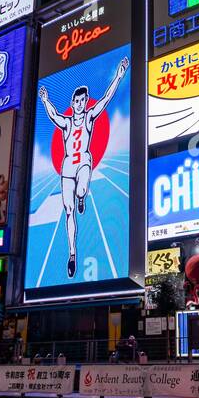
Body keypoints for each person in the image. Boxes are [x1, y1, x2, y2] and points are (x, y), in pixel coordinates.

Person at [38, 56, 130, 279]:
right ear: (72, 103)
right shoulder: (67, 123)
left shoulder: (90, 117)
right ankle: (72, 254)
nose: (80, 104)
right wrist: (45, 100)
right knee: (68, 211)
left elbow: (107, 99)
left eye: (83, 101)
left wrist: (119, 75)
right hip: (67, 167)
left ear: (86, 101)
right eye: (76, 101)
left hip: (84, 162)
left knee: (82, 189)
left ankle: (82, 196)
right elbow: (52, 115)